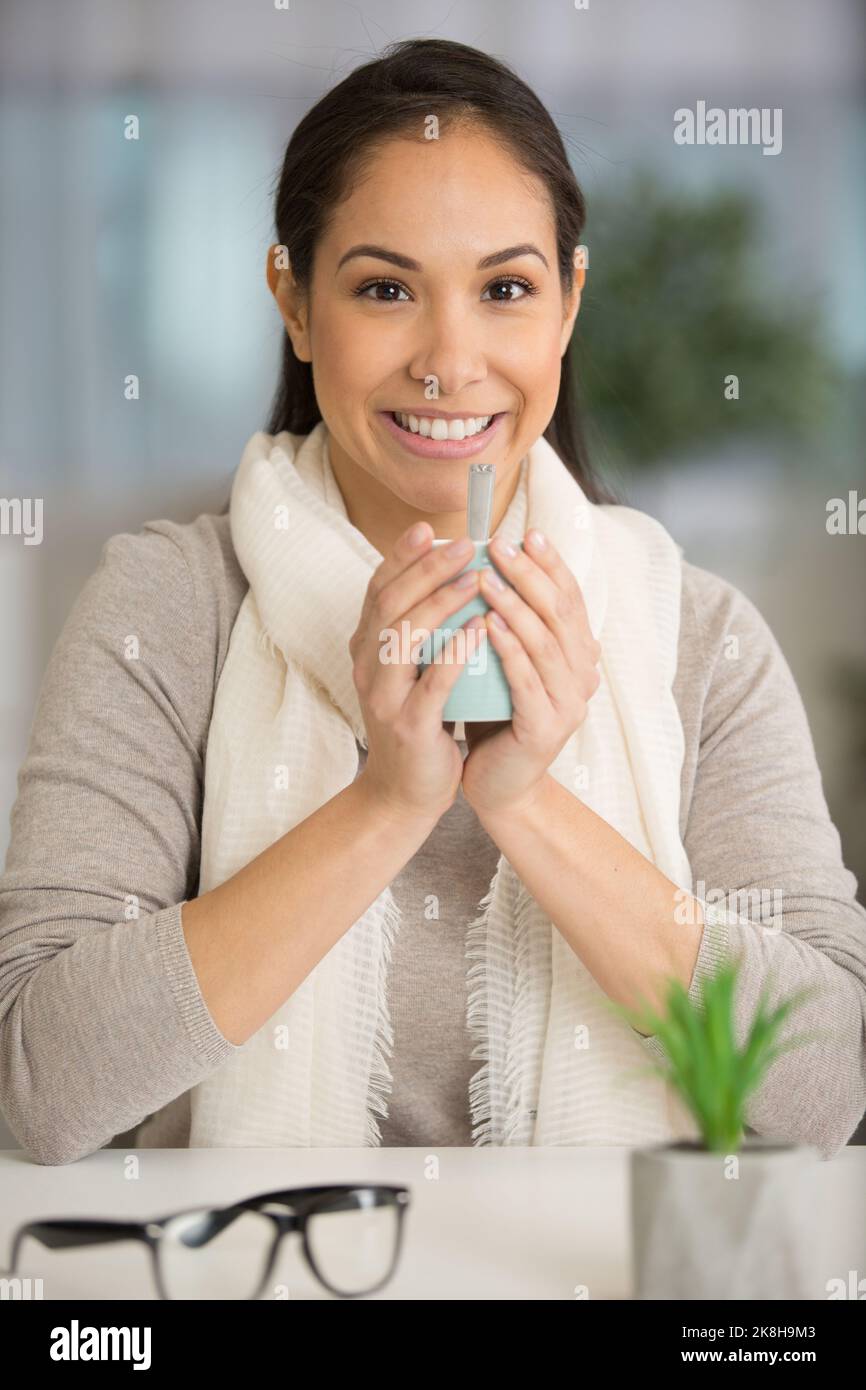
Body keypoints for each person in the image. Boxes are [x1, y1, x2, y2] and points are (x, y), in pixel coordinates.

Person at [1, 39, 864, 1165]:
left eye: (505, 289)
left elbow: (827, 1084)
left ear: (566, 306)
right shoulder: (165, 609)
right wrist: (385, 802)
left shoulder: (695, 639)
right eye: (384, 289)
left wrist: (523, 795)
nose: (450, 360)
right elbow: (39, 1088)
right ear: (295, 305)